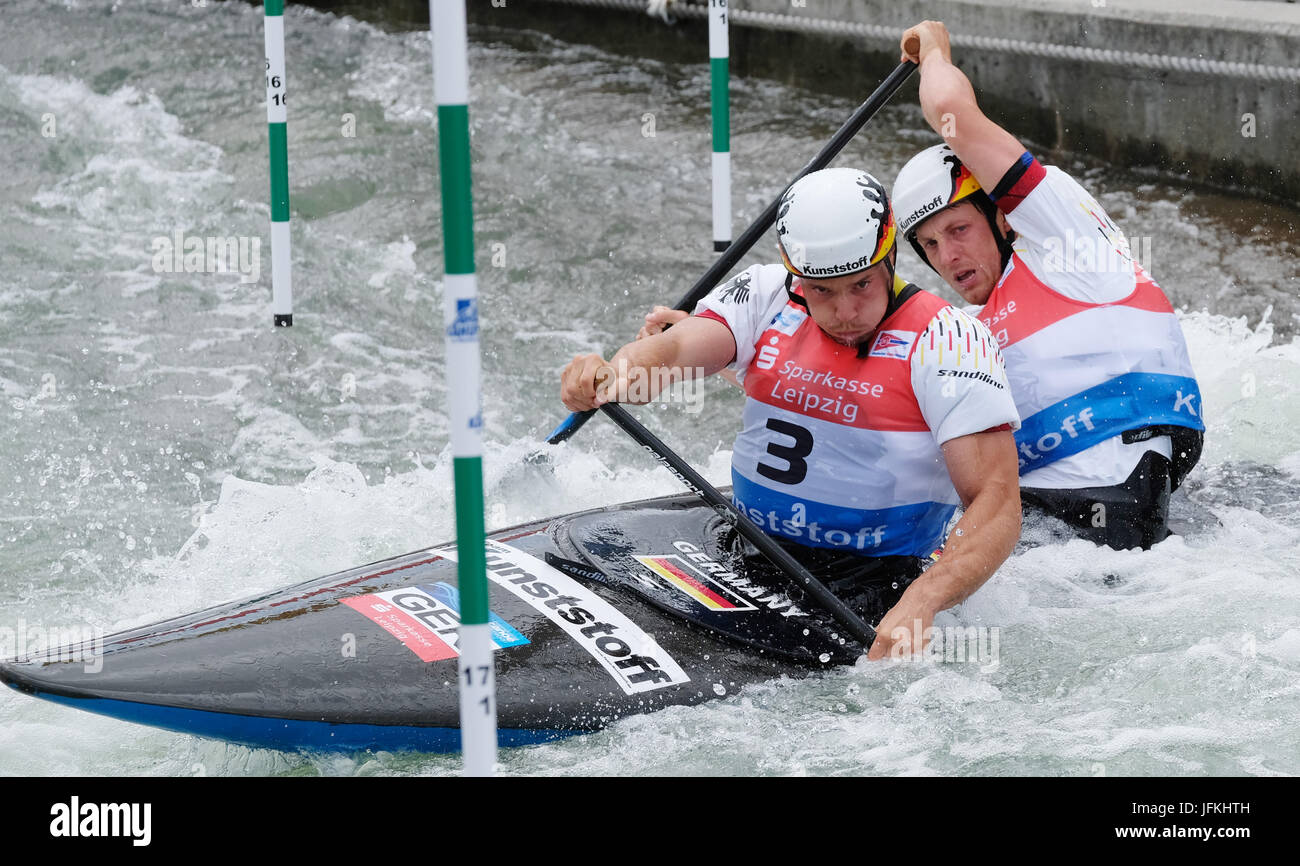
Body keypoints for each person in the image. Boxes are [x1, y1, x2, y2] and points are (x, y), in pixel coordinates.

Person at [561, 168, 1022, 659]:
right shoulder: (765, 293)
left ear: (888, 256)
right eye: (822, 290)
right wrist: (612, 374)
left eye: (862, 285)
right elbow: (673, 351)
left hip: (869, 586)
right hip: (739, 549)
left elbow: (996, 500)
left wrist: (924, 601)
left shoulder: (951, 341)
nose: (845, 311)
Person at [890, 20, 1204, 550]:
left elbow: (956, 119)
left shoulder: (1065, 239)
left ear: (1003, 219)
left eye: (960, 229)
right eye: (931, 244)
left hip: (1109, 511)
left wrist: (935, 51)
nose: (949, 256)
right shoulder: (971, 332)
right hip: (1071, 526)